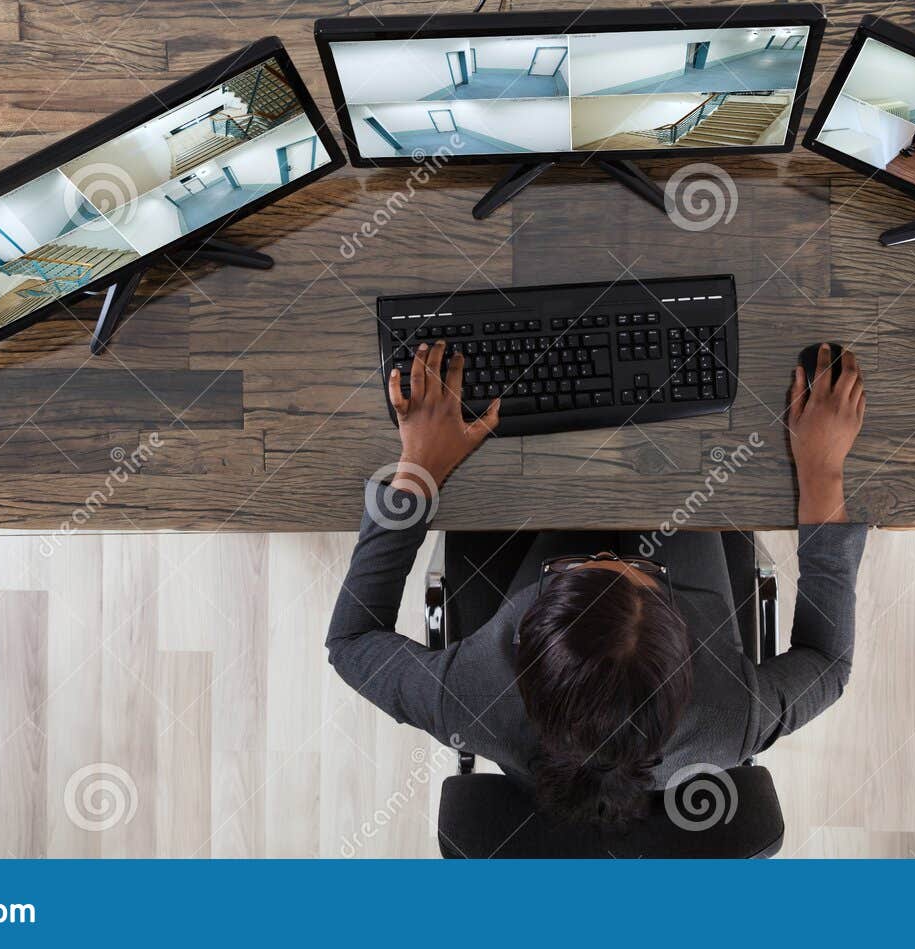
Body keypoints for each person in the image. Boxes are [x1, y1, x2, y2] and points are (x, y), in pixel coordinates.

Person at [325, 339, 868, 827]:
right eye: (635, 571)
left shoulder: (473, 697)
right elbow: (829, 661)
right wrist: (822, 472)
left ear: (522, 648)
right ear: (687, 656)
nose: (607, 551)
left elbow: (351, 644)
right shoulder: (731, 717)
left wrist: (417, 467)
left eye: (586, 566)